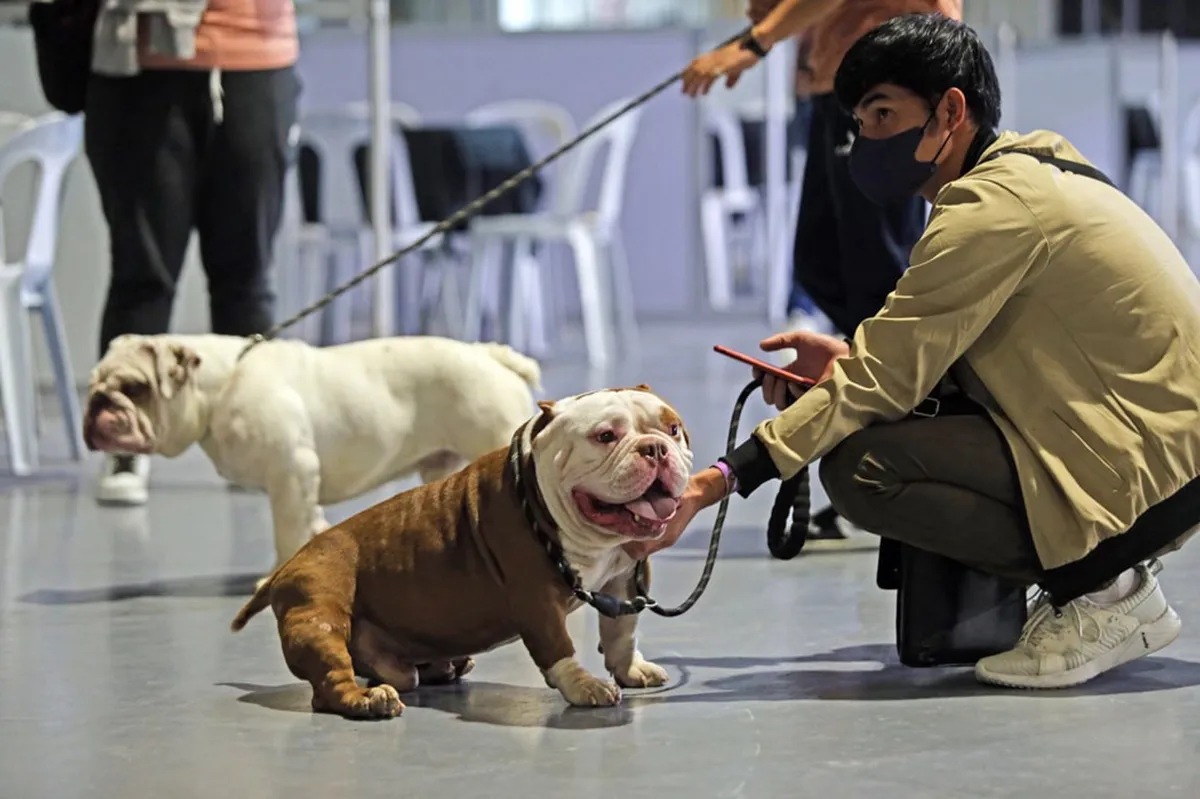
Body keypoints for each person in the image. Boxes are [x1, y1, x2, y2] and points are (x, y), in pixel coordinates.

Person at [635, 13, 1200, 689]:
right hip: (1150, 432)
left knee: (863, 470)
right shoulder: (1023, 169)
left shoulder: (989, 212)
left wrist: (718, 480)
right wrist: (845, 360)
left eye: (883, 115)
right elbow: (912, 357)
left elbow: (882, 377)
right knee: (875, 430)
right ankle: (1101, 575)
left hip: (1157, 459)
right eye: (858, 120)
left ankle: (1107, 589)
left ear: (950, 112)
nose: (865, 140)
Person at [683, 0, 962, 550]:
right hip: (835, 77)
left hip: (889, 74)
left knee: (875, 279)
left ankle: (907, 459)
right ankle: (891, 438)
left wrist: (757, 41)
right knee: (821, 264)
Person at [86, 0, 301, 505]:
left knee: (247, 277)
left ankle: (256, 436)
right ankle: (124, 443)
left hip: (256, 57)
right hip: (139, 64)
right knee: (141, 274)